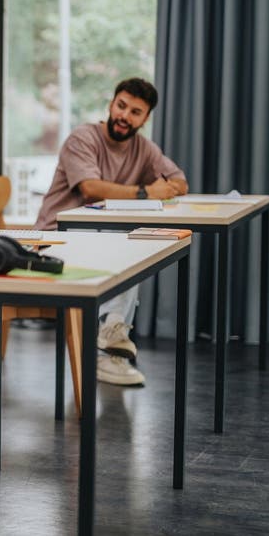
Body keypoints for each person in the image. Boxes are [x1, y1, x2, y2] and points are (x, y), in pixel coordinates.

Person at [34, 77, 188, 386]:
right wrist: (147, 192)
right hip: (56, 237)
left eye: (135, 112)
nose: (125, 116)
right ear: (110, 104)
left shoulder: (143, 148)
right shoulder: (83, 138)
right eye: (121, 106)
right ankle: (109, 349)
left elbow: (180, 182)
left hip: (100, 239)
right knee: (124, 247)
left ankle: (110, 341)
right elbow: (91, 188)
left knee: (131, 246)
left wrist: (163, 188)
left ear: (145, 119)